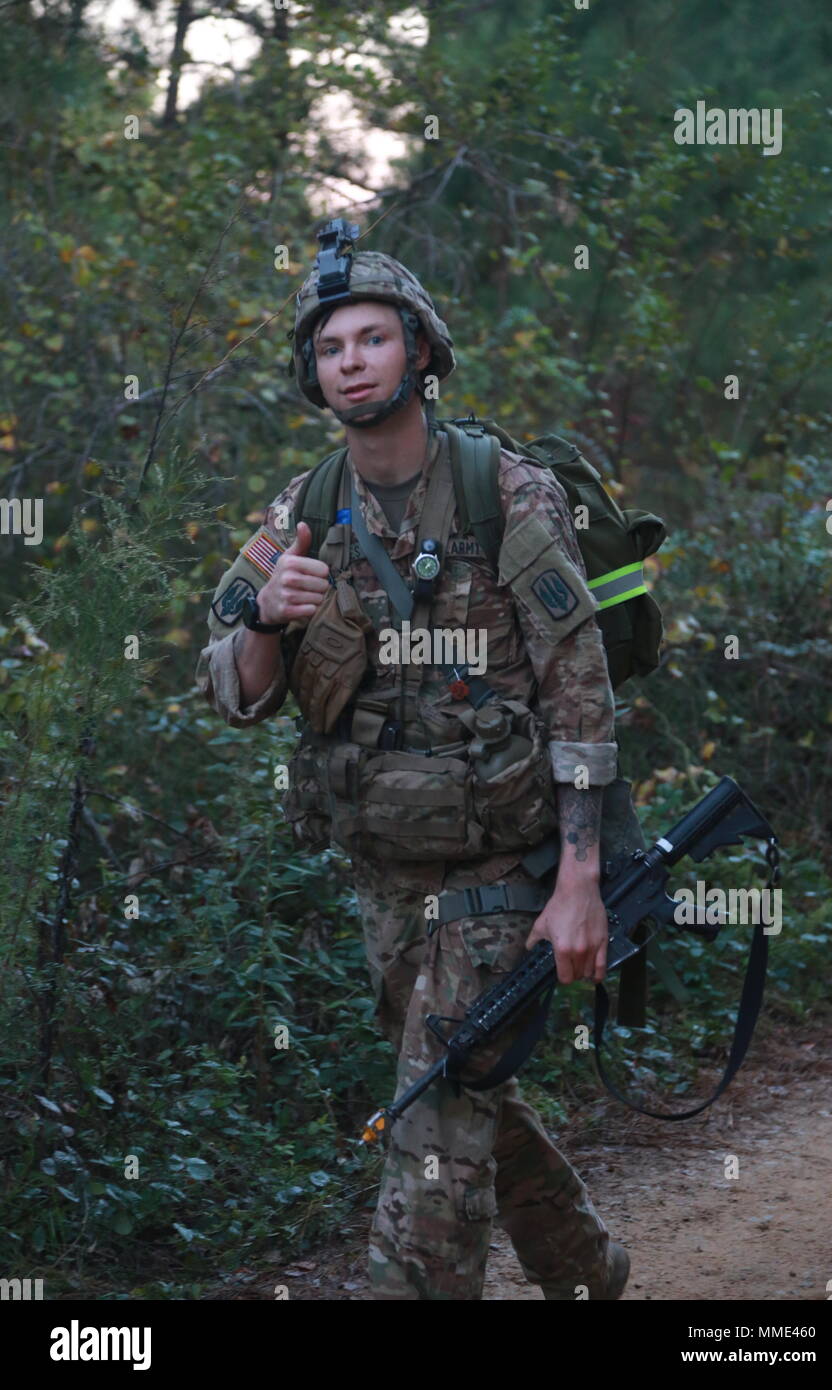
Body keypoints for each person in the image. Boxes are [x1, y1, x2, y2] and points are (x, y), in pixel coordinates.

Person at [196, 229, 630, 1301]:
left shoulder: (503, 492)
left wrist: (579, 881)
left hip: (502, 861)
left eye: (372, 339)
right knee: (460, 1071)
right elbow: (233, 692)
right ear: (315, 375)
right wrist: (266, 617)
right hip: (385, 869)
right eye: (330, 347)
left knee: (433, 1113)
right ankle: (586, 1269)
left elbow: (578, 690)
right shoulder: (303, 512)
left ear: (420, 350)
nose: (350, 361)